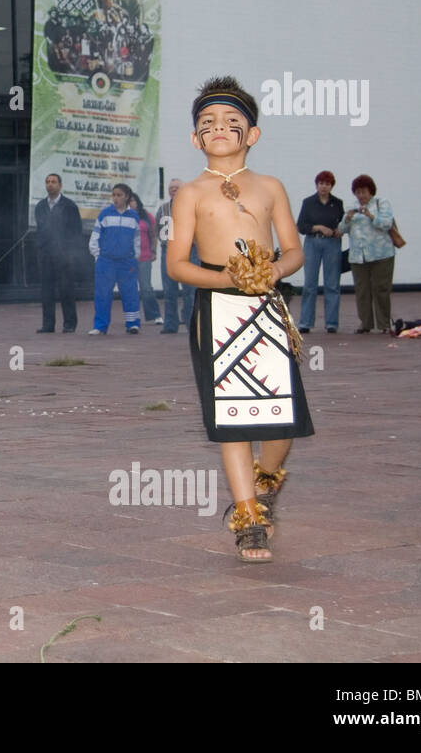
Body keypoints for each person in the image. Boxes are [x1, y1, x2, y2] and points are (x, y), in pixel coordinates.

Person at [167, 76, 312, 563]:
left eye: (232, 121)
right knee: (233, 419)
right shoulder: (189, 193)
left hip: (267, 306)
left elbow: (294, 251)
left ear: (252, 134)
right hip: (217, 309)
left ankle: (265, 480)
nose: (219, 128)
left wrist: (270, 270)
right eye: (208, 123)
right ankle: (248, 517)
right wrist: (228, 281)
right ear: (196, 138)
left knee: (280, 418)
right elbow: (177, 265)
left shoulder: (270, 187)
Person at [337, 174, 396, 334]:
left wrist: (370, 216)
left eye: (364, 192)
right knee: (362, 290)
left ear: (371, 191)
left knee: (381, 289)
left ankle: (384, 323)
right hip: (358, 256)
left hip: (381, 255)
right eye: (358, 192)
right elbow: (341, 230)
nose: (361, 196)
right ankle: (365, 323)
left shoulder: (381, 203)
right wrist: (347, 219)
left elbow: (387, 223)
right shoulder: (351, 206)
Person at [295, 170, 345, 333]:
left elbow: (342, 223)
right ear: (317, 185)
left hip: (332, 244)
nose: (324, 187)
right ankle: (305, 322)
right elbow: (301, 226)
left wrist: (339, 230)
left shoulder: (337, 203)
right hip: (312, 242)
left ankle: (331, 323)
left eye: (327, 184)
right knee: (310, 284)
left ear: (332, 186)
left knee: (332, 284)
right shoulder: (308, 202)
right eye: (321, 183)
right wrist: (319, 227)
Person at [88, 183, 141, 335]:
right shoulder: (105, 214)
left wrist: (135, 257)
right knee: (102, 294)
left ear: (127, 197)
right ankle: (100, 326)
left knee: (130, 293)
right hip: (106, 261)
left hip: (127, 262)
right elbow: (95, 237)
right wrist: (97, 255)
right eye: (114, 195)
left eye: (119, 195)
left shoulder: (134, 217)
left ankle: (133, 324)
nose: (116, 198)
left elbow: (137, 240)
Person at [34, 174, 81, 332]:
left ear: (60, 185)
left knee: (66, 290)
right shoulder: (40, 206)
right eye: (47, 182)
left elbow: (76, 232)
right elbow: (40, 230)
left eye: (53, 182)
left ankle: (69, 324)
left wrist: (70, 252)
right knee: (46, 291)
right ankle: (48, 325)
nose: (50, 185)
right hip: (46, 255)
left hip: (64, 255)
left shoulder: (69, 206)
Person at [156, 179, 197, 333]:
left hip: (189, 252)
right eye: (171, 188)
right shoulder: (163, 209)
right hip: (169, 252)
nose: (173, 190)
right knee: (169, 291)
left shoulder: (193, 208)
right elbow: (158, 230)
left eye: (177, 188)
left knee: (190, 291)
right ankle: (170, 325)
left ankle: (190, 323)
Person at [129, 193, 161, 326]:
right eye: (129, 201)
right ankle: (131, 317)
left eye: (133, 200)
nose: (131, 203)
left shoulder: (147, 217)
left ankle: (155, 315)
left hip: (144, 257)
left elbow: (153, 235)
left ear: (138, 201)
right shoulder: (124, 216)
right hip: (128, 258)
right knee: (130, 288)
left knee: (146, 287)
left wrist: (154, 251)